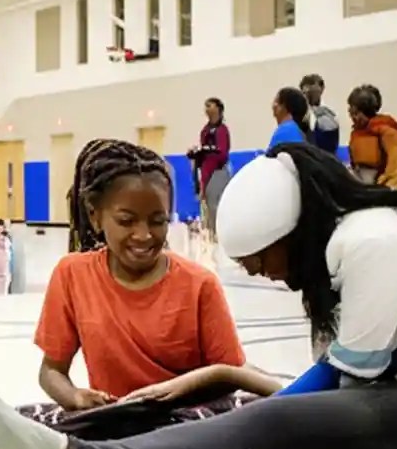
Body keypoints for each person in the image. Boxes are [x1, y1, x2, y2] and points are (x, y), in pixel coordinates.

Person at [0, 142, 397, 449]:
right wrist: (232, 388)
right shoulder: (361, 238)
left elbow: (339, 388)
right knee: (266, 419)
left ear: (289, 234)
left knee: (265, 428)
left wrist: (235, 403)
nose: (263, 274)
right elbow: (335, 384)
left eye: (262, 260)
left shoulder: (370, 244)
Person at [21, 139, 261, 429]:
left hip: (188, 424)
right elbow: (51, 371)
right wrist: (75, 398)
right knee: (28, 415)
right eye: (126, 221)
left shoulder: (200, 285)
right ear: (95, 217)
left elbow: (232, 376)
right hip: (115, 419)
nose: (144, 235)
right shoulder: (71, 274)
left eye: (157, 221)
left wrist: (174, 395)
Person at [187, 97, 231, 238]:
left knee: (216, 204)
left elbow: (222, 153)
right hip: (206, 172)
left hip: (219, 171)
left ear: (218, 108)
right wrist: (197, 154)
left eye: (210, 105)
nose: (207, 108)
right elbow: (205, 154)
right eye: (205, 106)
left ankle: (221, 236)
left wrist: (207, 151)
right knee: (207, 207)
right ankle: (212, 236)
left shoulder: (222, 130)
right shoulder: (205, 131)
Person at [348, 84, 397, 189]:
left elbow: (396, 168)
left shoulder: (387, 132)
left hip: (379, 186)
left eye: (356, 113)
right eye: (351, 113)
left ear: (367, 112)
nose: (353, 117)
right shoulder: (356, 133)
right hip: (361, 184)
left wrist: (387, 188)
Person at [300, 74, 340, 155]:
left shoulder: (329, 113)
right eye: (305, 92)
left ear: (322, 89)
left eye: (312, 90)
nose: (309, 94)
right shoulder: (299, 112)